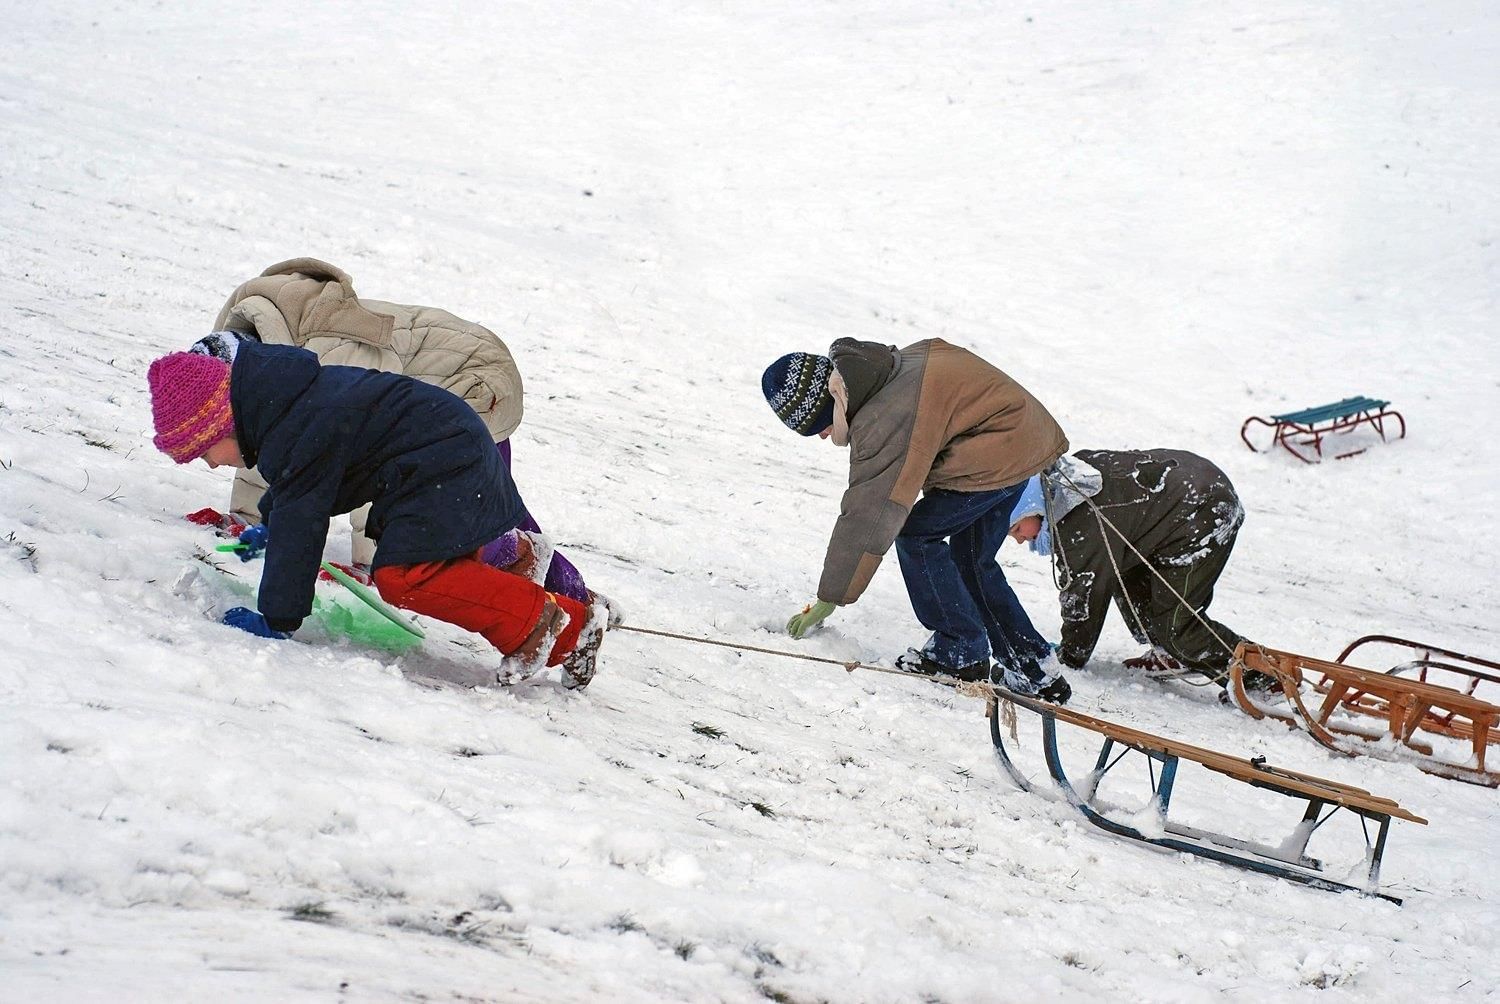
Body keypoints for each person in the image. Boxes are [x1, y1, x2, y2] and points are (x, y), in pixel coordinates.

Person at [147, 343, 606, 689]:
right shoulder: (286, 408)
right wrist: (270, 523)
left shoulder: (291, 426)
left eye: (203, 451)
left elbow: (303, 517)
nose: (210, 463)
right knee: (434, 565)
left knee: (406, 576)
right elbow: (303, 491)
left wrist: (277, 618)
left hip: (443, 463)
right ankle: (517, 562)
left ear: (220, 421)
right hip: (444, 454)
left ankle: (556, 626)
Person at [186, 258, 593, 610]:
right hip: (430, 395)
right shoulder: (271, 359)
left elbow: (375, 457)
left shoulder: (327, 357)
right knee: (487, 504)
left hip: (475, 377)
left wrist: (371, 561)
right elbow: (266, 445)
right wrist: (249, 518)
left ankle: (564, 596)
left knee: (449, 509)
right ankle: (572, 594)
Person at [762, 338, 1071, 702]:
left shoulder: (883, 415)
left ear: (828, 403)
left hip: (999, 452)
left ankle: (959, 651)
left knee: (916, 536)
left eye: (817, 427)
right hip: (1022, 442)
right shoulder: (885, 370)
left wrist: (831, 596)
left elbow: (869, 513)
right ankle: (1035, 669)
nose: (823, 437)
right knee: (971, 559)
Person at [1006, 449, 1260, 689]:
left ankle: (1260, 677)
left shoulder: (1079, 522)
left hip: (1203, 507)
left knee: (1177, 625)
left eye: (1017, 528)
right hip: (1184, 495)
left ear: (1032, 506)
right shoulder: (1062, 487)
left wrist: (1069, 656)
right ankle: (1170, 652)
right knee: (1124, 571)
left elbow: (1083, 595)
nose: (1018, 539)